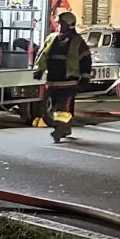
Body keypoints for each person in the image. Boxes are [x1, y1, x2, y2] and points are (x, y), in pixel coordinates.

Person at [33, 12, 91, 143]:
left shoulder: (78, 42)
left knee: (62, 107)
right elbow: (42, 55)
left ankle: (59, 130)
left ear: (69, 25)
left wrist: (85, 78)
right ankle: (66, 128)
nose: (59, 26)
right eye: (59, 23)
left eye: (62, 24)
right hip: (53, 80)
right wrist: (39, 70)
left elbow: (86, 60)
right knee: (54, 108)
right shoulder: (51, 38)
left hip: (69, 81)